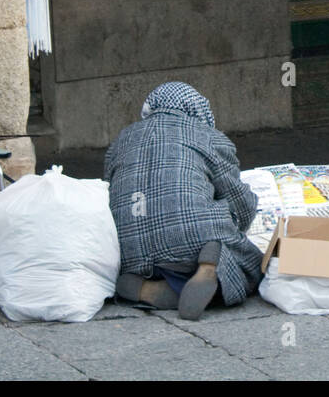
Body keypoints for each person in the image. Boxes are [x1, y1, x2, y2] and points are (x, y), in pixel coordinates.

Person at [104, 82, 263, 320]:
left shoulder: (121, 141)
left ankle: (151, 287)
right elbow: (240, 204)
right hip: (194, 241)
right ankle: (211, 262)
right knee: (250, 265)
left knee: (162, 256)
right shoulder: (207, 136)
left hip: (130, 252)